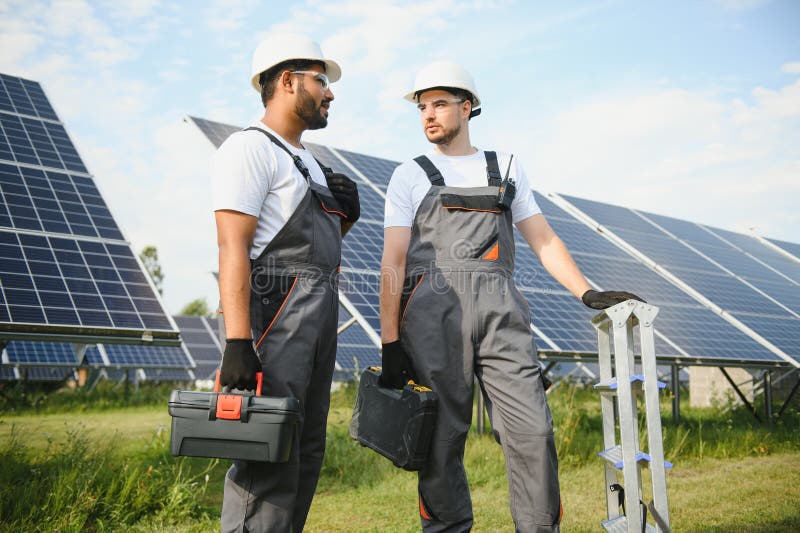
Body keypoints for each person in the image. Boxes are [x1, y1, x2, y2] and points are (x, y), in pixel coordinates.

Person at [379, 60, 643, 532]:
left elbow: (543, 239)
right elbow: (393, 262)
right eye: (422, 107)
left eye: (439, 104)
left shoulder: (506, 167)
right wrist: (390, 342)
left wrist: (586, 292)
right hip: (431, 317)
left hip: (502, 316)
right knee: (440, 443)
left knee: (533, 432)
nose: (428, 116)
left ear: (468, 106)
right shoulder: (409, 175)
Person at [212, 33, 360, 533]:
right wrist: (237, 341)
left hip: (318, 317)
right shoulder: (249, 149)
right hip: (274, 322)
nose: (330, 93)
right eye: (322, 81)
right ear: (288, 81)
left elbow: (314, 247)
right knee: (267, 454)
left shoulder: (309, 162)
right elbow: (234, 247)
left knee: (305, 451)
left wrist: (348, 218)